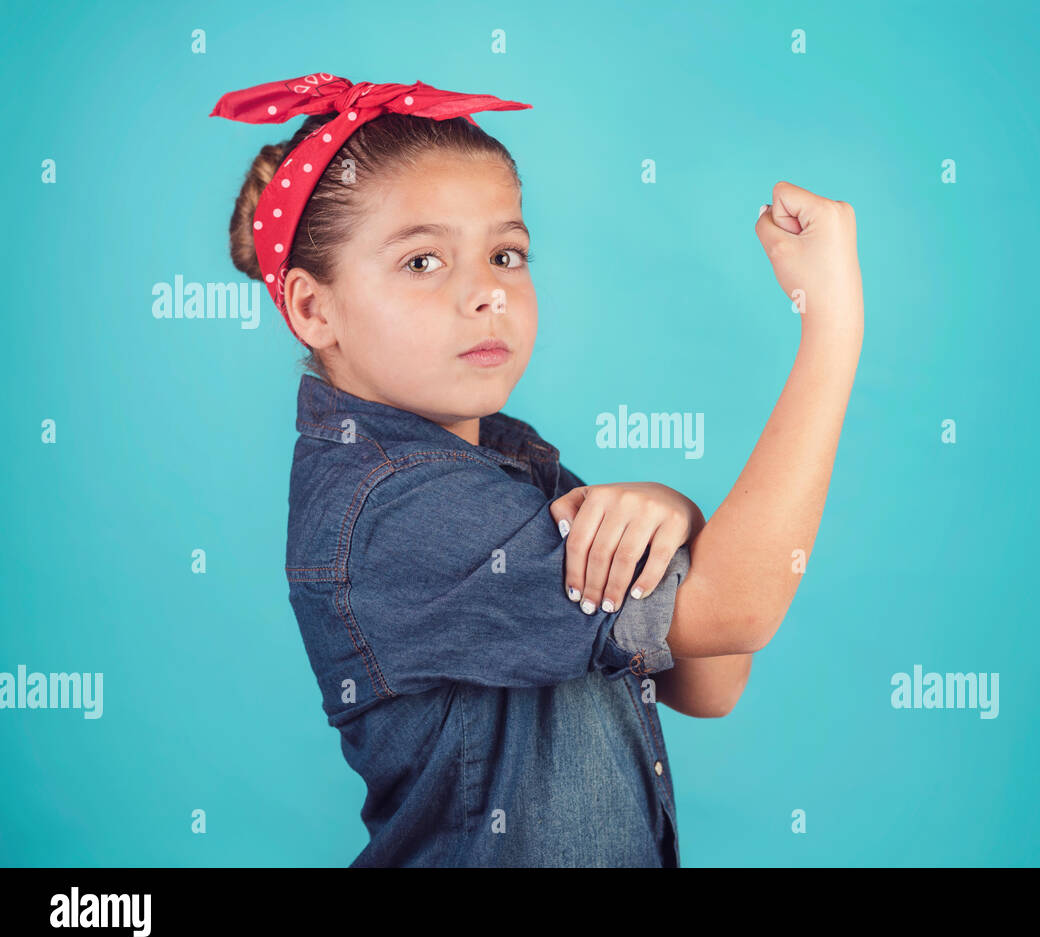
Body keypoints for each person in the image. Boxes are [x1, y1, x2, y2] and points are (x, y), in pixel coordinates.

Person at [214, 74, 863, 866]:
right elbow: (734, 611)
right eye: (423, 261)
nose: (486, 291)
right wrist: (832, 323)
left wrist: (681, 515)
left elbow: (709, 681)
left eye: (505, 253)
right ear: (313, 309)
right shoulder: (398, 505)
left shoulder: (497, 461)